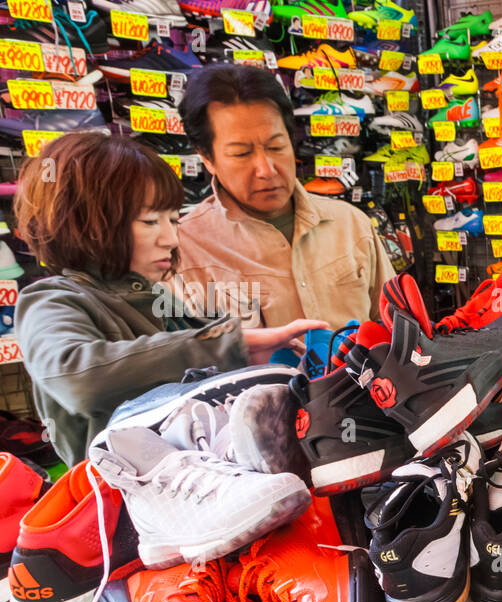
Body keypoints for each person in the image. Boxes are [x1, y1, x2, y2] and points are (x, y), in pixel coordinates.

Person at [13, 133, 322, 465]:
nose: (171, 238)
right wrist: (228, 344)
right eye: (149, 221)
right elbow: (76, 378)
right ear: (83, 221)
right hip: (122, 503)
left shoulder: (154, 295)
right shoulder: (50, 300)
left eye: (173, 220)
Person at [177, 64, 395, 330]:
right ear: (207, 158)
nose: (266, 170)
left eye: (276, 146)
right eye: (242, 153)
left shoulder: (350, 225)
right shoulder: (185, 251)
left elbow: (394, 329)